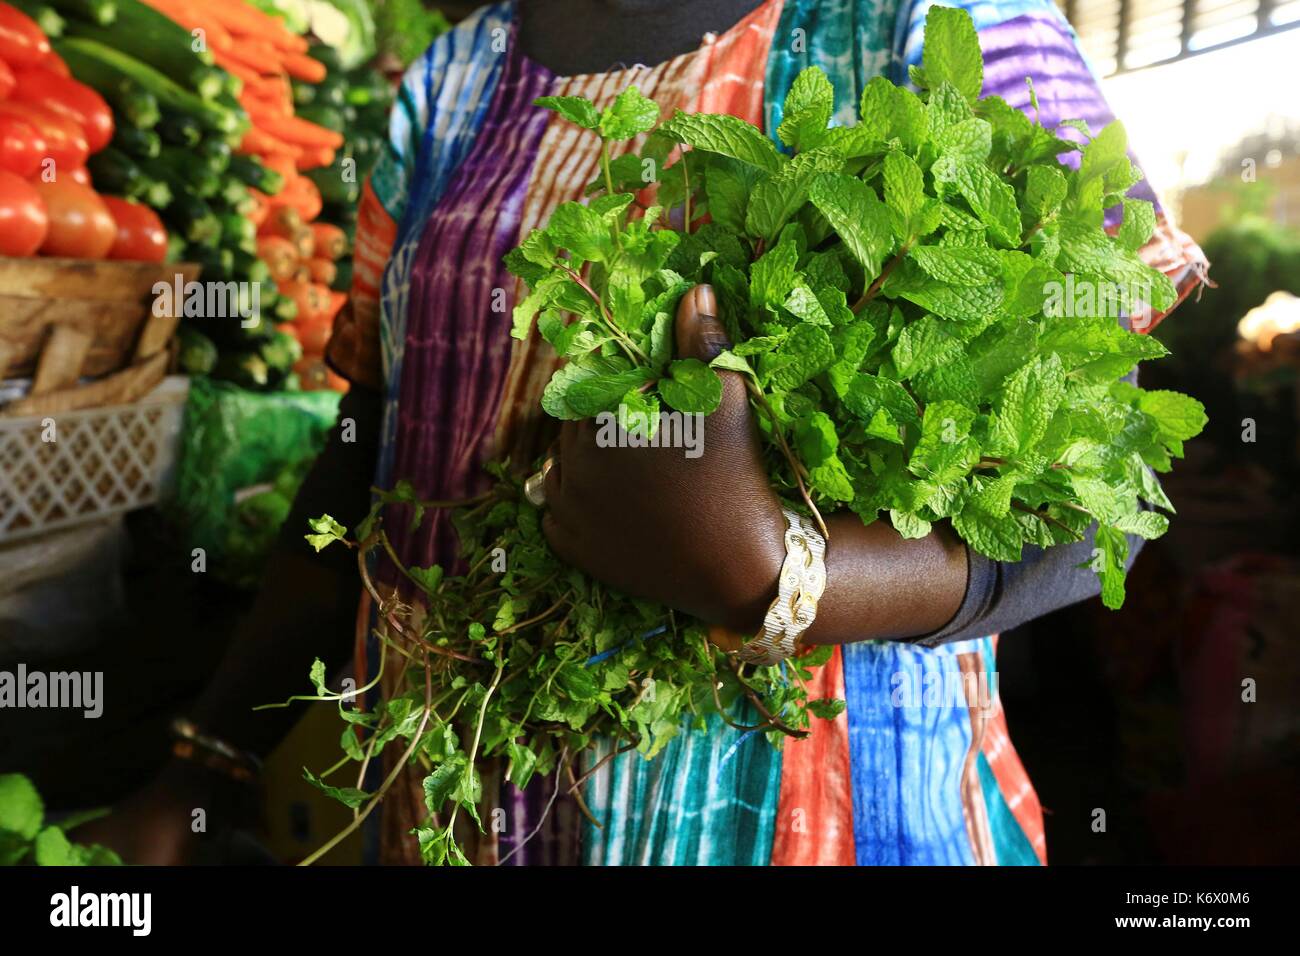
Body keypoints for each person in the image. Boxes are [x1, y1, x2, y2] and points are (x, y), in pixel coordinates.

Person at [88, 0, 1208, 866]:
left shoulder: (933, 24)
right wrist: (211, 757)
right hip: (454, 809)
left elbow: (1114, 479)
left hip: (818, 829)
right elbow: (372, 440)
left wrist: (784, 576)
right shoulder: (453, 76)